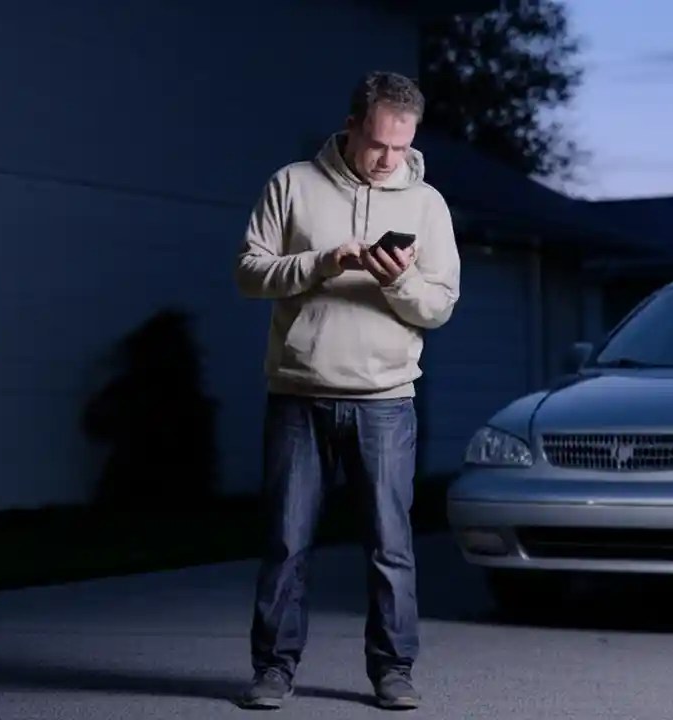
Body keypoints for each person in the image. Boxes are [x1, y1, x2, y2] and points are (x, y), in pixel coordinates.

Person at [232, 70, 460, 710]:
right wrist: (323, 262)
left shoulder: (427, 205)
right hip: (298, 393)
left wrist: (394, 283)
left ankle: (393, 670)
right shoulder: (292, 185)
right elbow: (249, 273)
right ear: (353, 124)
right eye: (380, 144)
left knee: (390, 545)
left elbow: (439, 306)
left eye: (403, 146)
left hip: (386, 400)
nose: (391, 160)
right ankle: (273, 668)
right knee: (285, 539)